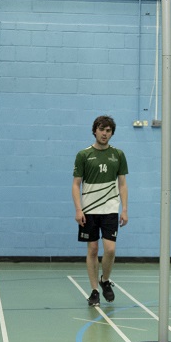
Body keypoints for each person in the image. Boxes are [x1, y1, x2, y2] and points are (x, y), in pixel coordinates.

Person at [72, 115, 128, 306]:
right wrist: (78, 209)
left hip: (111, 208)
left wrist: (125, 209)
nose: (105, 133)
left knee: (110, 249)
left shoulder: (118, 155)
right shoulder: (84, 155)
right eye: (101, 129)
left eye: (108, 130)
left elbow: (122, 184)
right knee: (93, 249)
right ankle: (95, 290)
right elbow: (76, 184)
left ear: (112, 133)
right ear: (95, 130)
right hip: (89, 210)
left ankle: (105, 280)